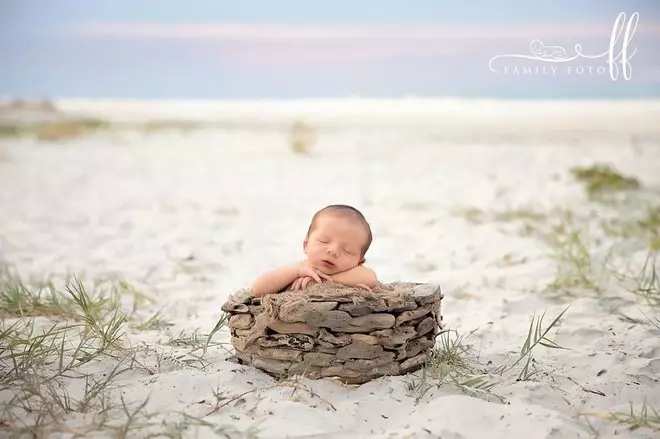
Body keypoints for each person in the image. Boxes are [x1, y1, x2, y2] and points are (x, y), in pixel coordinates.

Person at [250, 204, 378, 297]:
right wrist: (296, 271)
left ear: (360, 261)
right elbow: (257, 289)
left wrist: (325, 279)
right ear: (306, 244)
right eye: (323, 241)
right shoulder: (298, 269)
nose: (333, 251)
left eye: (347, 250)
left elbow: (371, 278)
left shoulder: (357, 273)